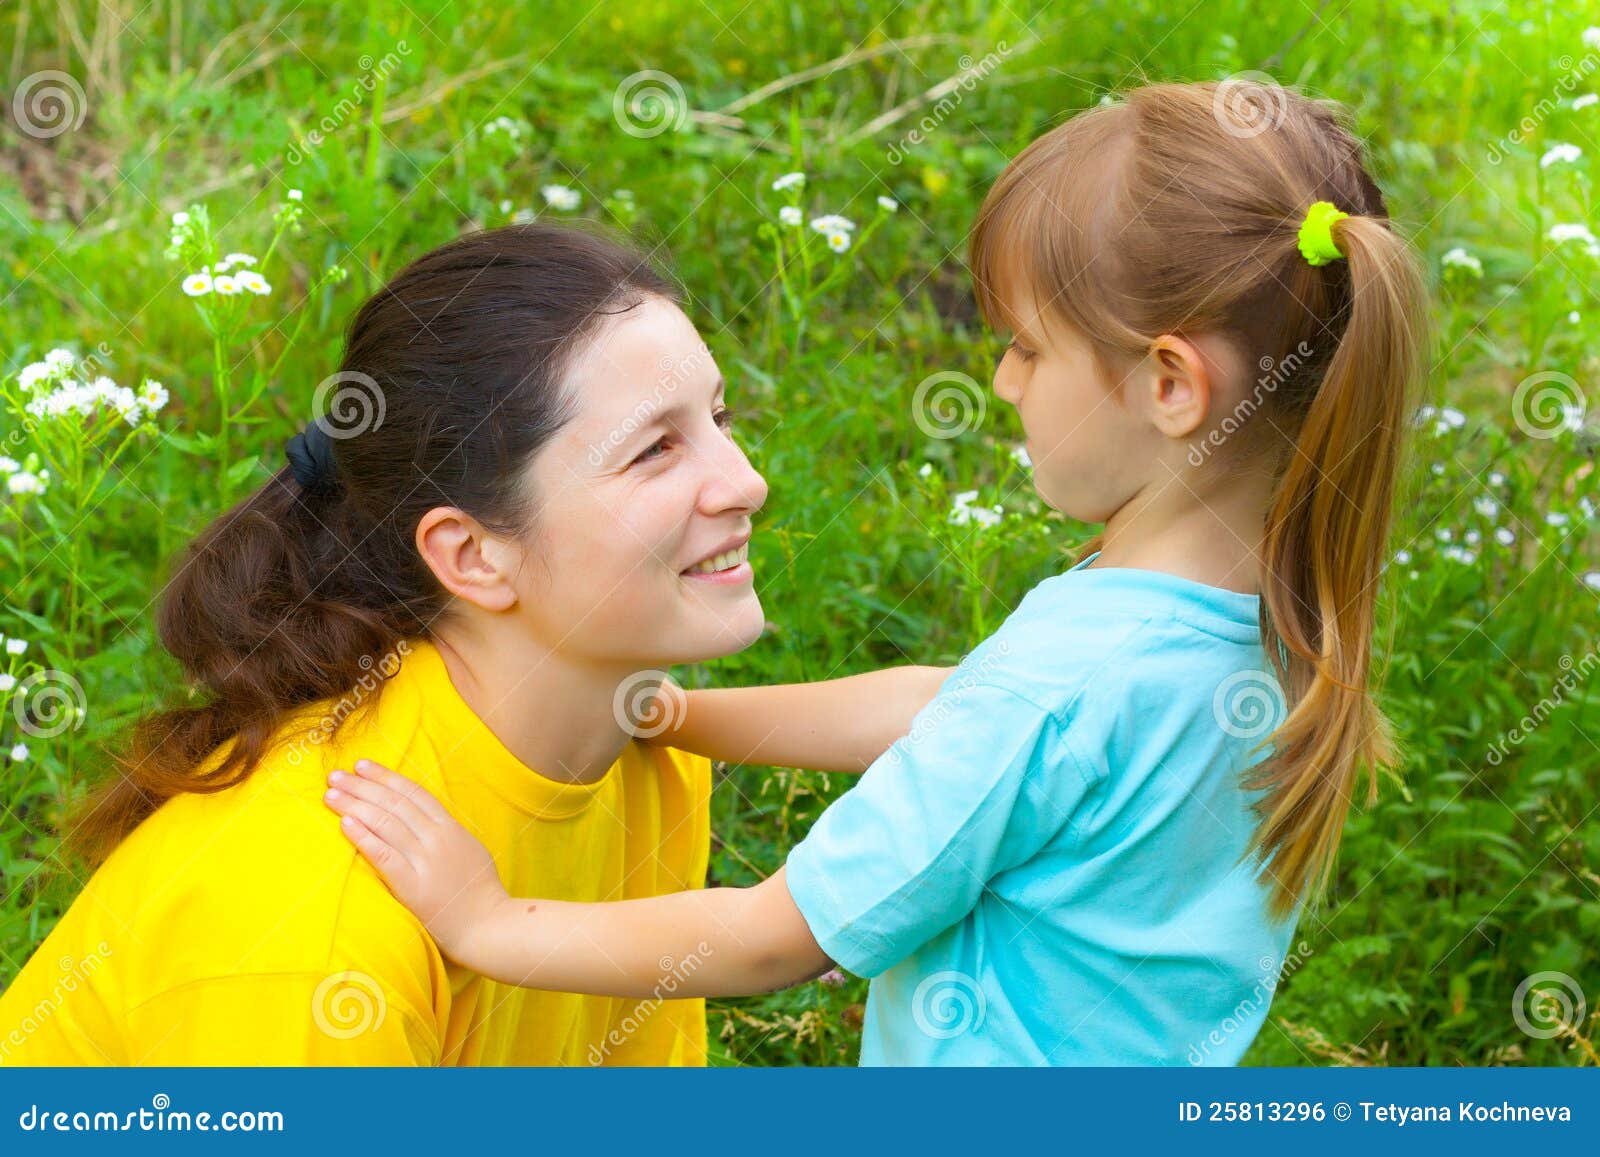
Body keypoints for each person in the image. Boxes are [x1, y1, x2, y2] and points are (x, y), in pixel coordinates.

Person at [323, 80, 1430, 1065]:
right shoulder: (1264, 620)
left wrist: (489, 921)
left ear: (1171, 386)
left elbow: (771, 938)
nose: (1003, 382)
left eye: (1027, 346)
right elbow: (951, 708)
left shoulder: (1063, 684)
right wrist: (688, 716)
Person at [0, 221, 942, 1065]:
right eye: (655, 448)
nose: (746, 481)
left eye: (719, 418)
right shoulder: (318, 929)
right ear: (473, 555)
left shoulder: (646, 752)